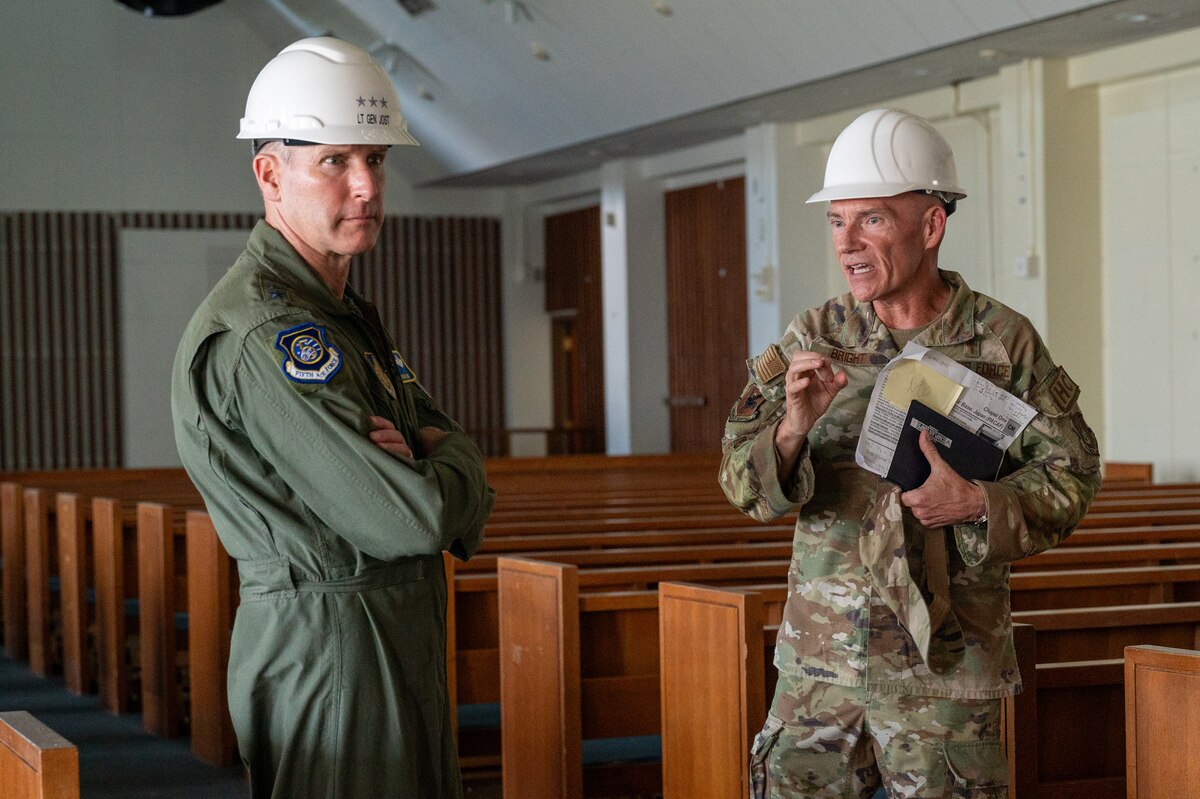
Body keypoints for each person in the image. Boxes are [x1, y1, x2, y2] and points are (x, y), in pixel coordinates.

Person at [719, 108, 1101, 798]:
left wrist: (980, 502)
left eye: (871, 219)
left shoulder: (1001, 343)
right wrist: (791, 429)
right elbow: (739, 484)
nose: (847, 242)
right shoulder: (815, 334)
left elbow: (1073, 473)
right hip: (822, 667)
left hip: (945, 671)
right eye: (837, 221)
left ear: (930, 225)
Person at [171, 37, 494, 799]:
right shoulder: (271, 334)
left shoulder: (339, 313)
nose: (367, 186)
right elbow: (408, 519)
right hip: (334, 650)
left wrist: (446, 457)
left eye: (376, 160)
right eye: (336, 162)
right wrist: (445, 462)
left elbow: (446, 456)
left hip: (387, 633)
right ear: (270, 174)